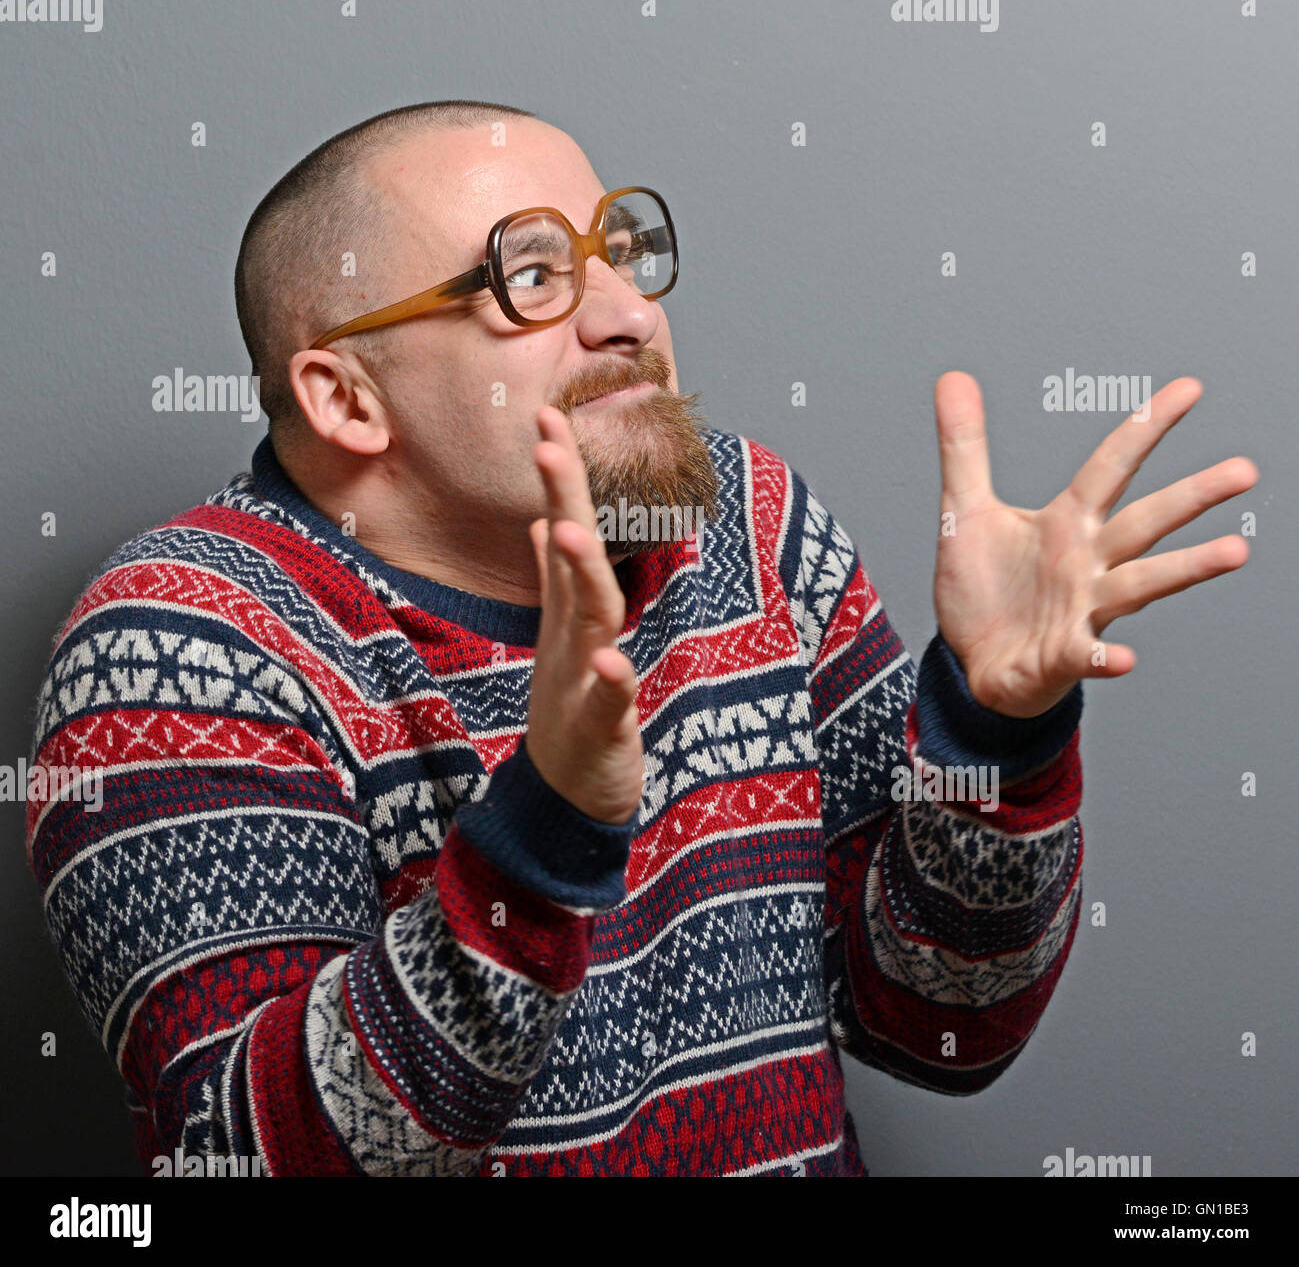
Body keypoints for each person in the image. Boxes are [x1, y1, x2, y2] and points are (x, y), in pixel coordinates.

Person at [26, 99, 1257, 1177]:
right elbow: (244, 1159)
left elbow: (937, 1022)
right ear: (347, 398)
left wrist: (998, 736)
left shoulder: (743, 522)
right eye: (532, 276)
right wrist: (542, 831)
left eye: (620, 251)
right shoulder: (183, 644)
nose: (628, 314)